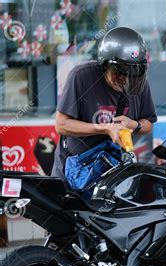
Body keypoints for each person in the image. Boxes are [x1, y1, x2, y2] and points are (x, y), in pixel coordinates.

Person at [52, 27, 157, 182]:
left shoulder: (139, 83)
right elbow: (61, 125)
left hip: (113, 177)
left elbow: (148, 124)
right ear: (105, 65)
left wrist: (134, 125)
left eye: (133, 73)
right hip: (74, 173)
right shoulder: (81, 76)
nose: (125, 79)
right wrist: (106, 128)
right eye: (120, 72)